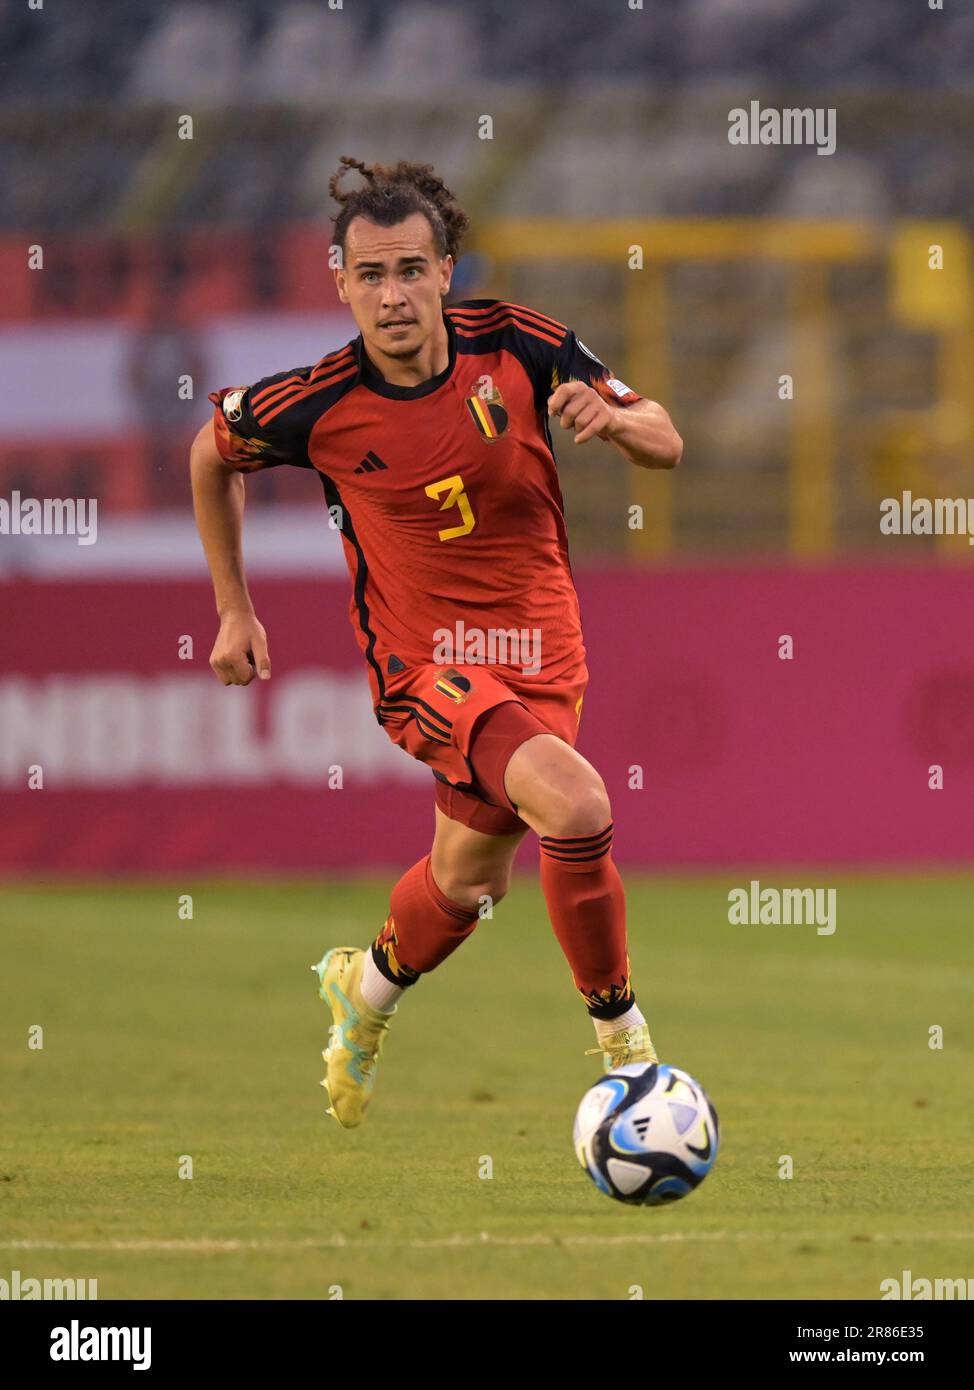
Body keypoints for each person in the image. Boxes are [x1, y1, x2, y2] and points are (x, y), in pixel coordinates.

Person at [190, 157, 683, 1129]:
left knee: (466, 879)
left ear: (445, 270)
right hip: (423, 665)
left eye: (410, 269)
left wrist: (615, 424)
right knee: (575, 805)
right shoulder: (314, 402)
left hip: (544, 658)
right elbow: (211, 453)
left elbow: (666, 438)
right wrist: (233, 606)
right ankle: (626, 1054)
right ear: (338, 281)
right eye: (369, 274)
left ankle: (361, 994)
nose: (391, 294)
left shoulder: (516, 342)